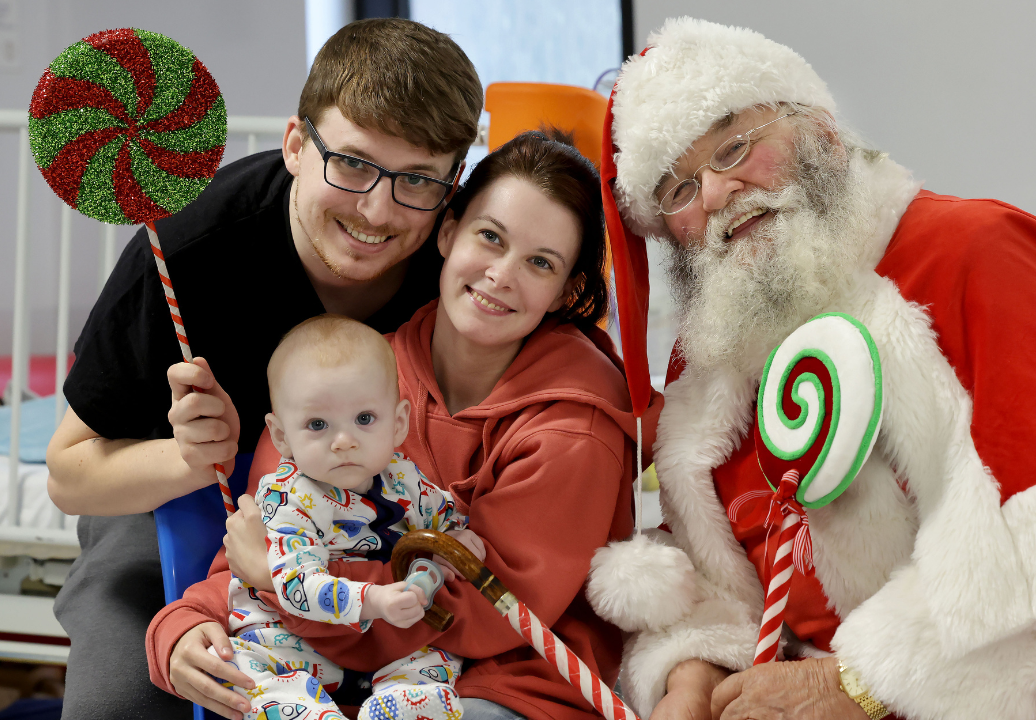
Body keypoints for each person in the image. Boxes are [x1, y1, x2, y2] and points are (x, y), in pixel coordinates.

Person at [585, 17, 1036, 720]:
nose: (714, 192)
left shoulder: (980, 254)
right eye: (677, 189)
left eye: (735, 147)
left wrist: (862, 684)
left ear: (824, 136)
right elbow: (719, 594)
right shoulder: (706, 372)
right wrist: (691, 677)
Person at [44, 18, 482, 720]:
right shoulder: (186, 251)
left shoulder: (464, 260)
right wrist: (192, 459)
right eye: (353, 164)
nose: (378, 209)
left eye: (419, 180)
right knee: (119, 699)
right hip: (179, 503)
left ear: (452, 183)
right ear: (296, 145)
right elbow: (70, 475)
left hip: (386, 521)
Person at [148, 130, 662, 720]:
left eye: (539, 262)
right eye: (489, 237)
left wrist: (283, 586)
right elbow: (260, 545)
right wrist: (186, 625)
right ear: (448, 232)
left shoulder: (575, 428)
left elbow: (479, 616)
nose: (500, 275)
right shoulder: (350, 381)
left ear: (566, 291)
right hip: (325, 661)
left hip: (502, 679)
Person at [220, 315, 484, 719]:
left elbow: (440, 517)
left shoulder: (402, 476)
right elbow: (294, 585)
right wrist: (374, 599)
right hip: (288, 638)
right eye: (318, 424)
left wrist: (455, 540)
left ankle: (401, 706)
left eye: (364, 419)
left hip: (385, 639)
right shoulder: (287, 499)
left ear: (397, 424)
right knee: (255, 676)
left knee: (434, 659)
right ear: (281, 437)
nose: (344, 442)